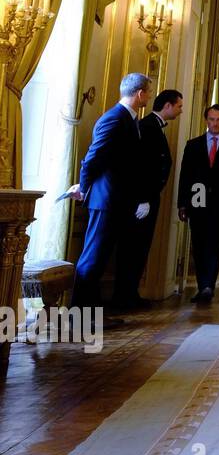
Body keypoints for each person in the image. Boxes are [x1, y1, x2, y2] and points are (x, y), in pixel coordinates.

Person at [68, 73, 153, 310]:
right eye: (148, 92)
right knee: (92, 260)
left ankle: (91, 313)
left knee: (100, 260)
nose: (149, 96)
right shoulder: (115, 119)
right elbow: (93, 158)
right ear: (140, 94)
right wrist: (84, 188)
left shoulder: (128, 118)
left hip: (116, 201)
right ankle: (78, 317)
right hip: (106, 201)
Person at [111, 88, 183, 311]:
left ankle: (130, 294)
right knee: (133, 248)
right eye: (179, 106)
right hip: (140, 202)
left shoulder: (153, 126)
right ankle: (124, 298)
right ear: (168, 106)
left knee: (140, 249)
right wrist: (143, 198)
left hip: (148, 199)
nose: (181, 110)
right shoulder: (147, 127)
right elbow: (139, 167)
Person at [177, 105, 219, 303]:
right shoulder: (193, 145)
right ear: (206, 120)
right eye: (212, 119)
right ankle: (202, 285)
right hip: (197, 202)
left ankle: (208, 286)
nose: (216, 123)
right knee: (199, 244)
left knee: (214, 244)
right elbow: (185, 177)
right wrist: (182, 204)